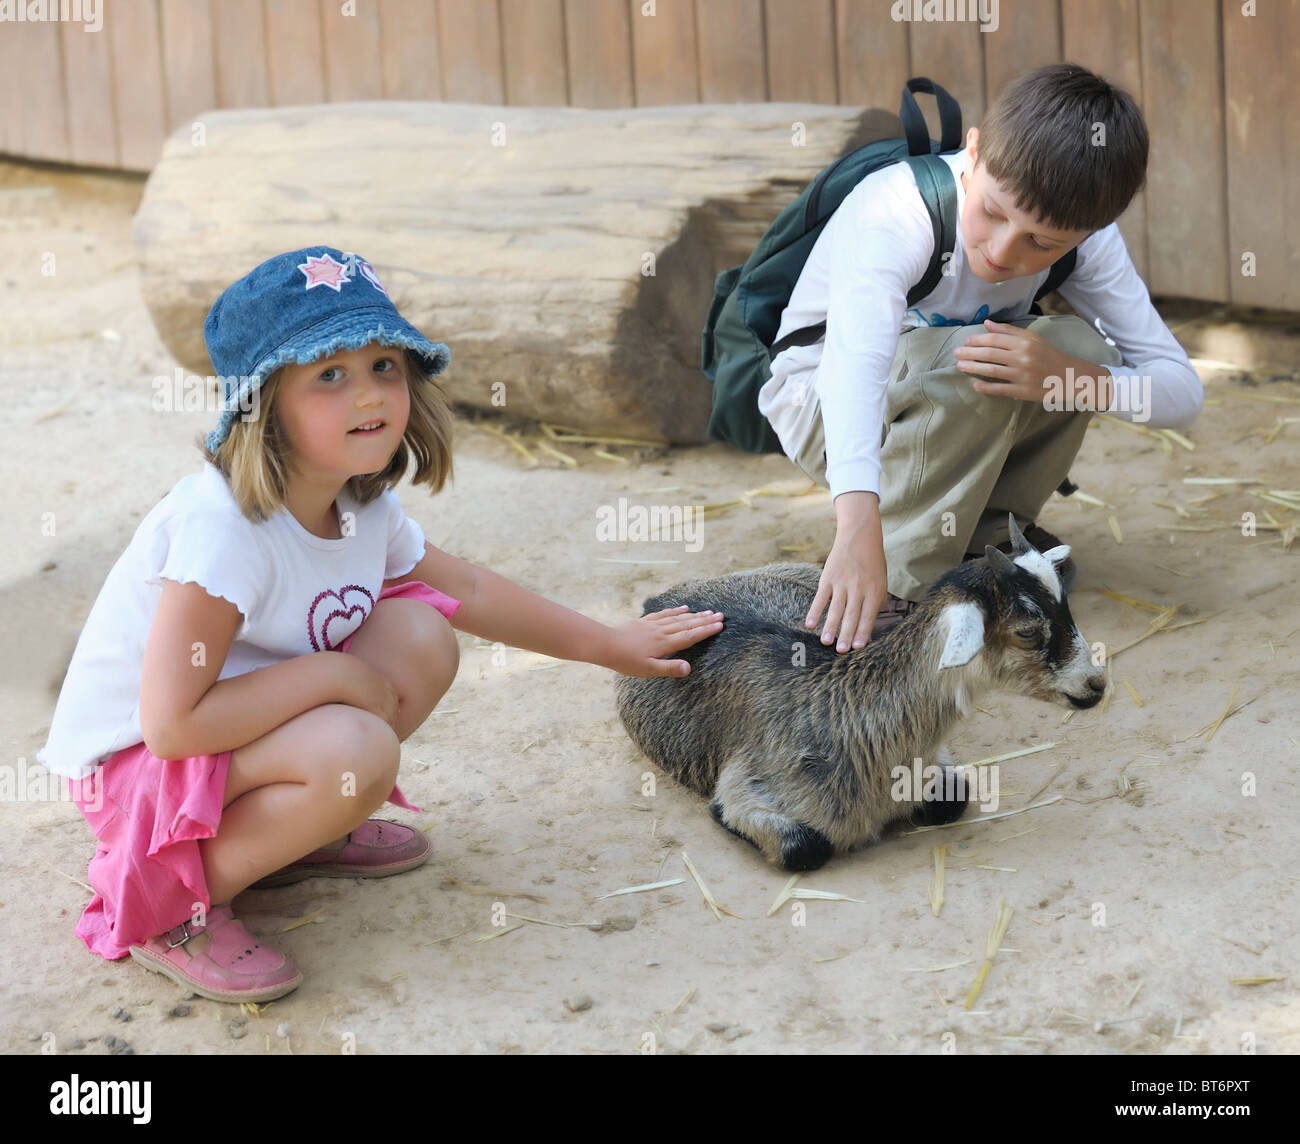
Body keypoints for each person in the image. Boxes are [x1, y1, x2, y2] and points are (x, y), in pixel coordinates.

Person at [37, 245, 723, 1003]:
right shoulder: (221, 530)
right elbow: (169, 728)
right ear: (263, 402)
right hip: (141, 771)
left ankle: (289, 837)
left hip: (239, 731)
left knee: (422, 636)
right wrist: (332, 675)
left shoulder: (358, 502)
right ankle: (168, 905)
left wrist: (610, 644)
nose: (369, 396)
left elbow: (466, 587)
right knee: (355, 752)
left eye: (384, 367)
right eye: (329, 374)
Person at [756, 63, 1203, 651]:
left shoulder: (1091, 242)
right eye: (993, 212)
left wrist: (1072, 379)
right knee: (980, 358)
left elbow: (1182, 393)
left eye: (1041, 244)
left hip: (938, 402)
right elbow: (852, 370)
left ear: (1092, 230)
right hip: (825, 410)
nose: (1000, 250)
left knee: (1077, 352)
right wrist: (856, 523)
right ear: (974, 152)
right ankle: (902, 580)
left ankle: (982, 538)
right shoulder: (898, 211)